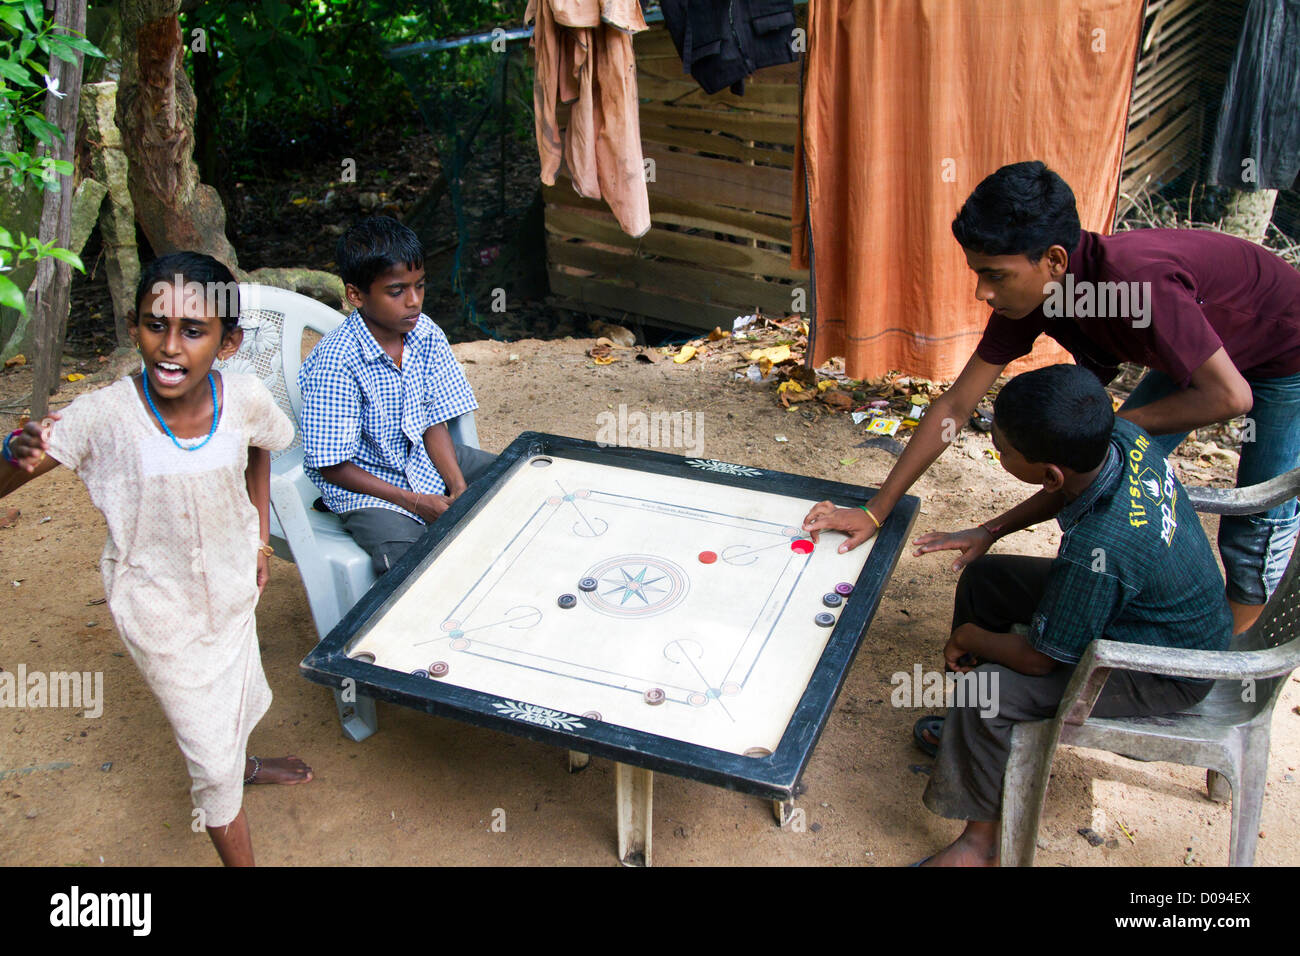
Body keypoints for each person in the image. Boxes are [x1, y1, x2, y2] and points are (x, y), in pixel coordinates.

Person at [803, 160, 1300, 635]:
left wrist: (1112, 432)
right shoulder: (1042, 293)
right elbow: (955, 407)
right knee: (1101, 467)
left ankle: (1229, 657)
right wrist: (876, 508)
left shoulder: (1135, 283)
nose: (982, 293)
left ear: (1055, 260)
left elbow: (1231, 396)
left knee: (1256, 522)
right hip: (1206, 349)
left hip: (1284, 353)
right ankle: (1103, 605)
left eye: (994, 275)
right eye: (977, 273)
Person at [1, 252, 312, 867]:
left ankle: (242, 760)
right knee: (204, 744)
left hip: (229, 583)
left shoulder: (244, 395)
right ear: (133, 324)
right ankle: (231, 799)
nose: (170, 347)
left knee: (237, 691)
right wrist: (16, 447)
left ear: (228, 342)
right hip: (158, 606)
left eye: (193, 331)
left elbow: (261, 449)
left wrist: (255, 541)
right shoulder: (104, 416)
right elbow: (16, 468)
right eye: (154, 325)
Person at [901, 365, 1230, 865]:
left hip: (1164, 666)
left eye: (1004, 451)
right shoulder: (1118, 434)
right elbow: (1064, 490)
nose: (998, 453)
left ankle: (982, 844)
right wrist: (990, 530)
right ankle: (975, 747)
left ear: (1051, 472)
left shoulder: (1100, 549)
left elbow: (1037, 661)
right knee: (986, 581)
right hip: (1152, 610)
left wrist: (970, 635)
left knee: (987, 691)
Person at [298, 216, 495, 574]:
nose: (414, 301)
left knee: (514, 477)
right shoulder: (336, 361)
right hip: (368, 488)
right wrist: (416, 501)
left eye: (420, 286)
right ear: (356, 295)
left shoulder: (425, 333)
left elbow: (432, 420)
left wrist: (457, 484)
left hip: (425, 457)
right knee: (408, 564)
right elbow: (333, 466)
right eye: (397, 291)